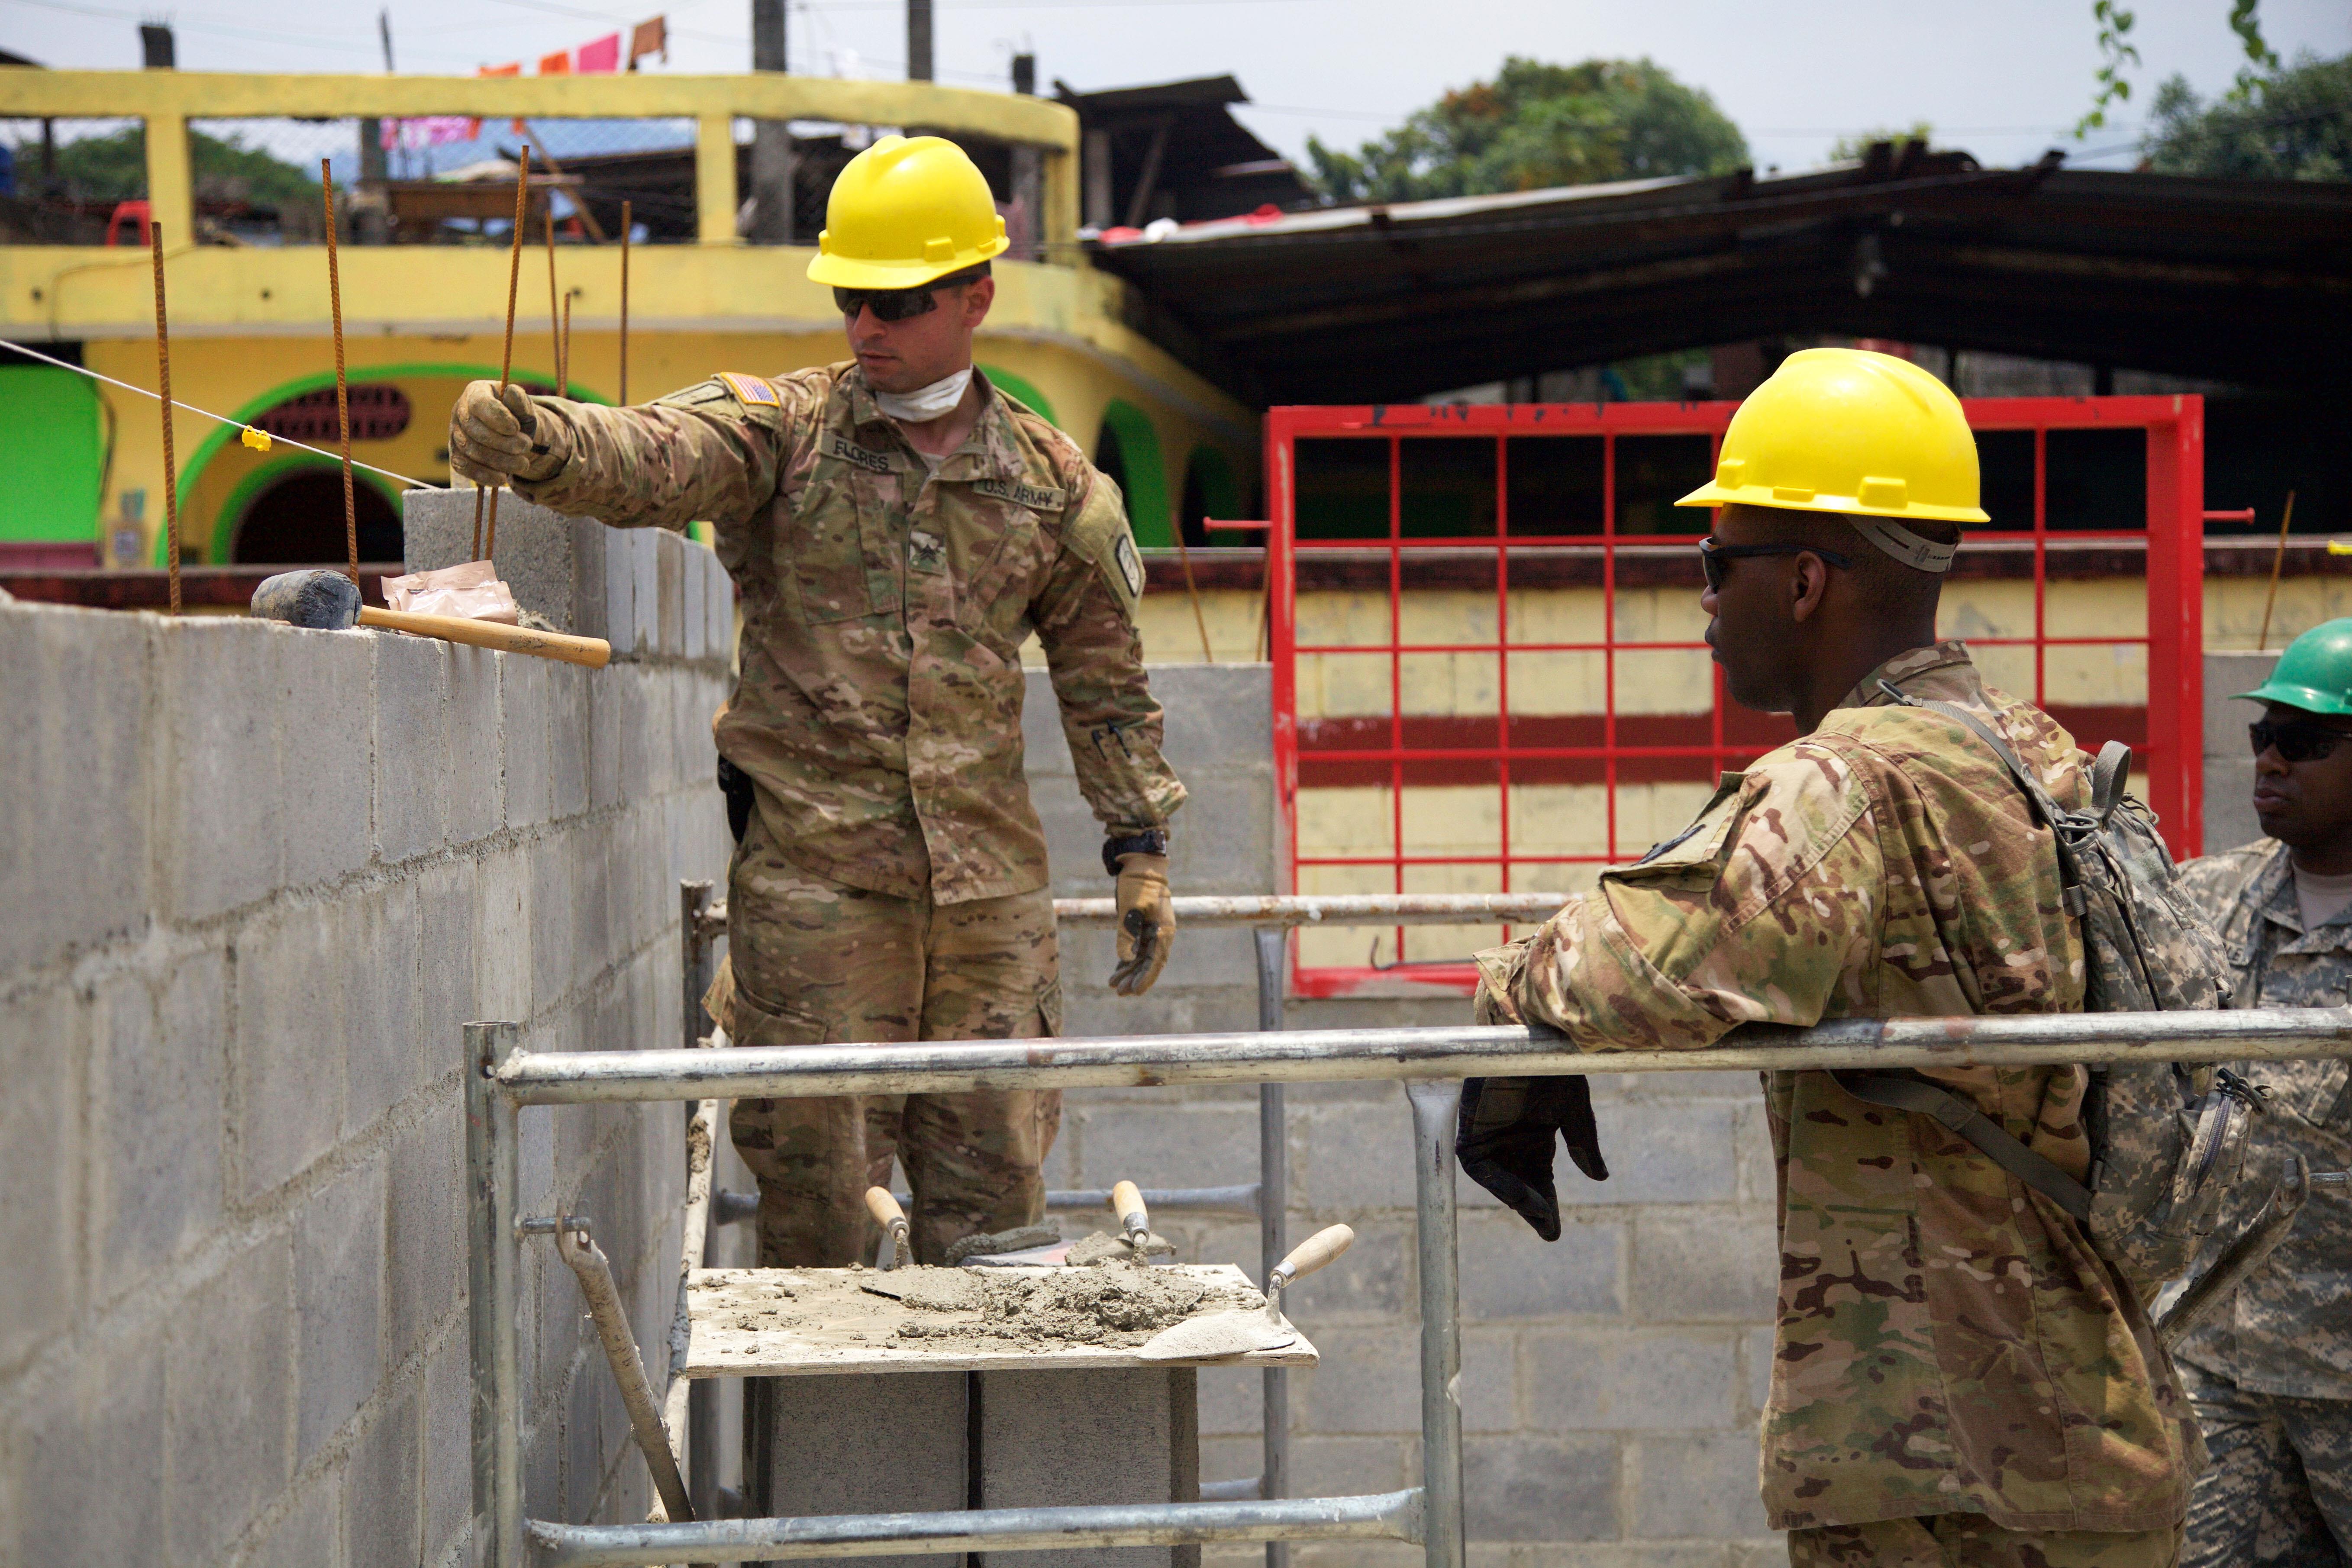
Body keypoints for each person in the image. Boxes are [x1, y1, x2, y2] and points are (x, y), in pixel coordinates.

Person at [1459, 348, 2201, 1566]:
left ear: (1804, 579)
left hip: (1942, 1469)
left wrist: (1499, 988)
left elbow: (1629, 972)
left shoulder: (1845, 779)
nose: (1703, 598)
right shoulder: (2033, 752)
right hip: (2085, 1429)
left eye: (1716, 562)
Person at [446, 134, 1186, 1267]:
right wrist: (542, 438)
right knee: (826, 1228)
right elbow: (656, 452)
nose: (865, 328)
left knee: (995, 1222)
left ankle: (971, 1443)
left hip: (989, 916)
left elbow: (1105, 677)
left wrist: (1139, 848)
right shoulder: (785, 436)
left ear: (976, 295)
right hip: (819, 905)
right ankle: (845, 1448)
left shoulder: (1053, 487)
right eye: (851, 299)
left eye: (897, 300)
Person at [2171, 621, 2352, 1568]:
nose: (2272, 758)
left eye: (2308, 739)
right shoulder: (2200, 902)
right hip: (2220, 1364)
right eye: (2262, 735)